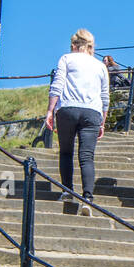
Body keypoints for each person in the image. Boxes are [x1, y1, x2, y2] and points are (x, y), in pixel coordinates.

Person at [45, 28, 110, 216]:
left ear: (74, 45)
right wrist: (102, 122)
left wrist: (50, 110)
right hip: (92, 112)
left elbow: (57, 85)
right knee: (87, 156)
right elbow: (105, 96)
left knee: (66, 152)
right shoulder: (100, 66)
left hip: (67, 109)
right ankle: (87, 198)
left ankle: (67, 191)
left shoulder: (66, 58)